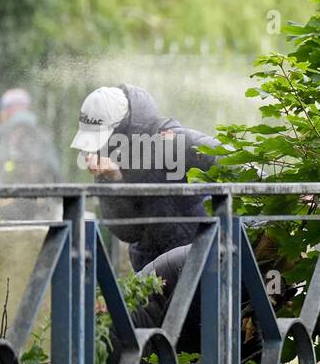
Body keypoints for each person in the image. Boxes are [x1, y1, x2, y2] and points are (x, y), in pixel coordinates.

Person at [70, 84, 220, 272]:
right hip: (152, 269)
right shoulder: (106, 164)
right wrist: (114, 180)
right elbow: (128, 232)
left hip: (199, 258)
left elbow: (227, 159)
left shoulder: (170, 139)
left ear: (121, 127)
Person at [0, 88, 62, 218]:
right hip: (41, 205)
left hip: (8, 206)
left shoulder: (1, 136)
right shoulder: (41, 135)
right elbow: (55, 171)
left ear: (7, 111)